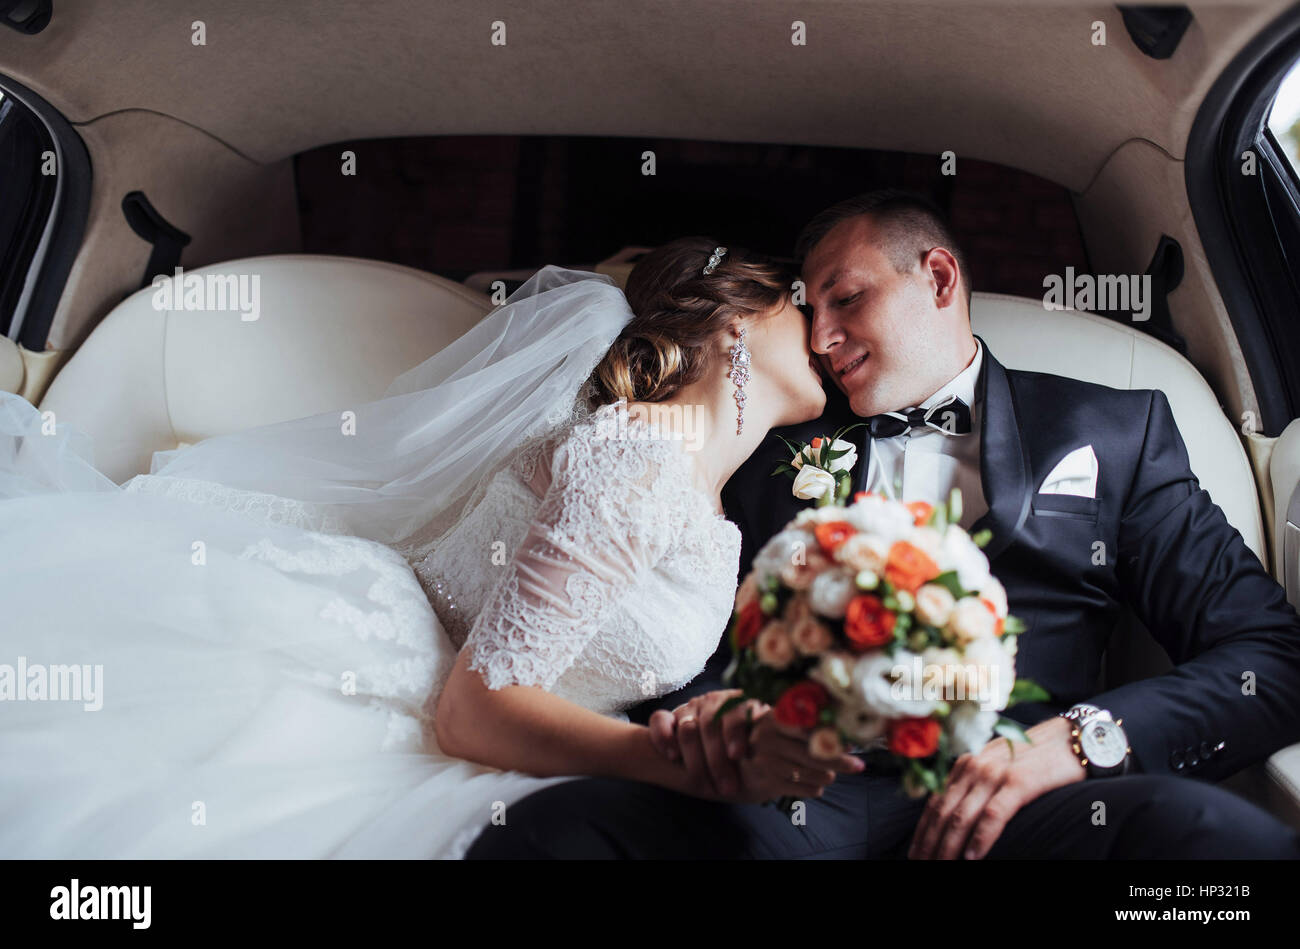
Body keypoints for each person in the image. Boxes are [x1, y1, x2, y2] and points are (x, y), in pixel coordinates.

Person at [466, 191, 1300, 859]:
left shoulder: (1114, 430)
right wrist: (701, 721)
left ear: (938, 278)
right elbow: (658, 597)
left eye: (847, 298)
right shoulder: (764, 433)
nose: (823, 337)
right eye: (808, 309)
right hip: (772, 799)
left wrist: (1077, 744)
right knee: (562, 833)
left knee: (1210, 843)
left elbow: (1273, 658)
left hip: (1020, 809)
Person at [0, 241, 837, 858]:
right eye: (803, 302)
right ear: (737, 326)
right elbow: (474, 708)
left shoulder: (698, 491)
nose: (822, 327)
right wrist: (675, 765)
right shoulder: (642, 459)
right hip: (420, 700)